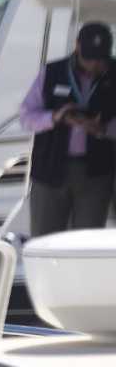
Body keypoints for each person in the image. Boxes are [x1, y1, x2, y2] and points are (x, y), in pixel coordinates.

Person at [19, 21, 116, 236]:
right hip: (50, 170)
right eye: (89, 58)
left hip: (95, 173)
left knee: (86, 243)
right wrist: (55, 117)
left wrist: (102, 129)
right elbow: (26, 116)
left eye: (100, 59)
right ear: (77, 46)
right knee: (45, 239)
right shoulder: (52, 72)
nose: (94, 65)